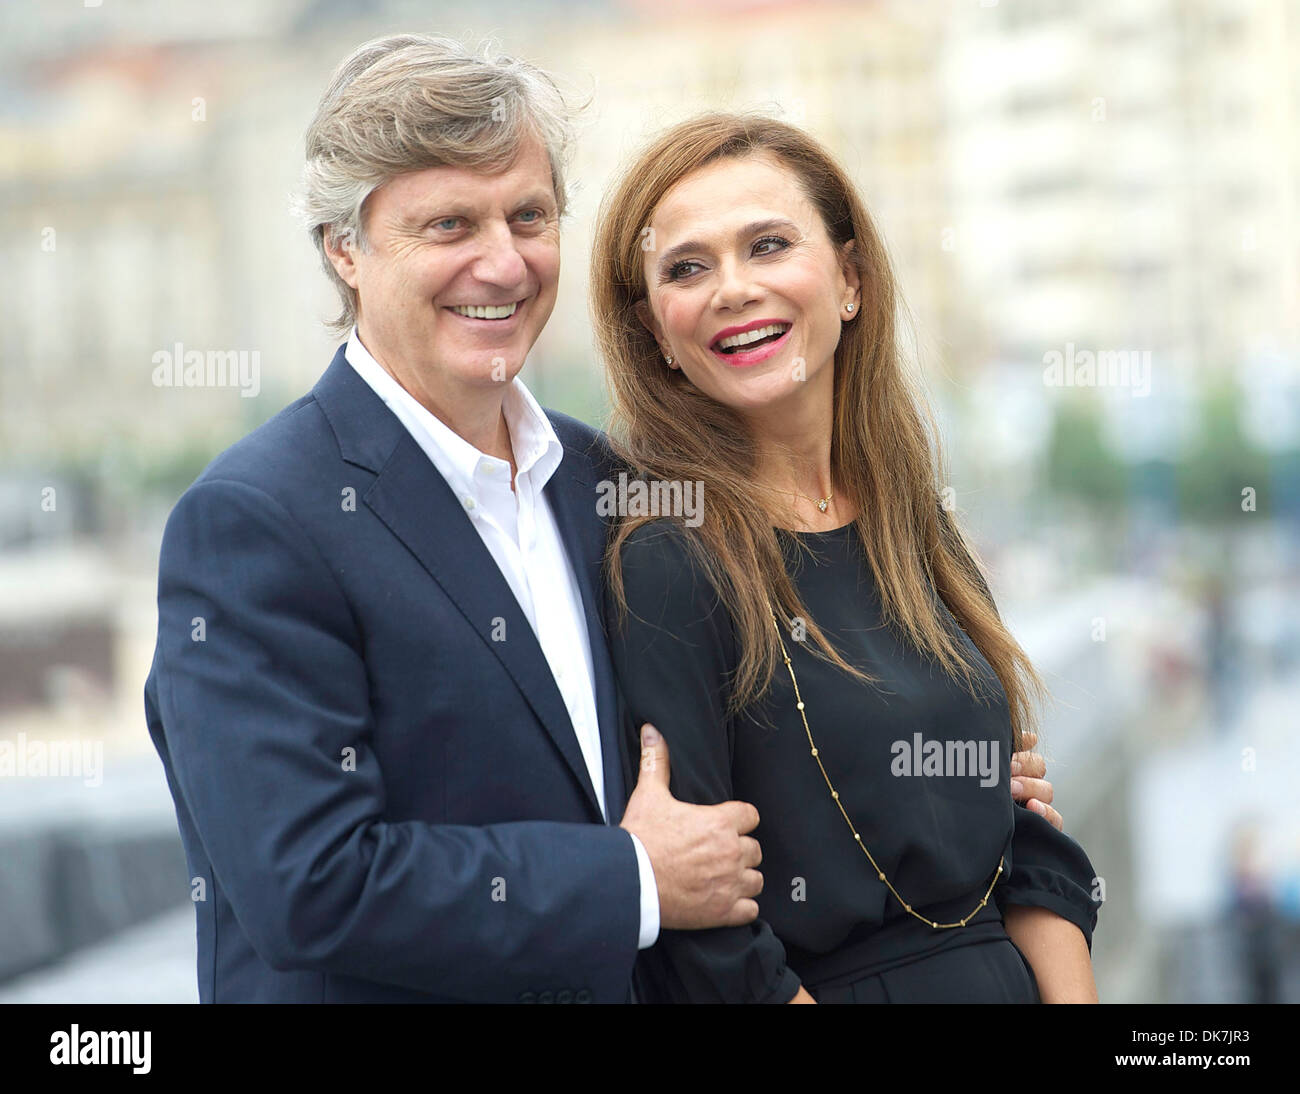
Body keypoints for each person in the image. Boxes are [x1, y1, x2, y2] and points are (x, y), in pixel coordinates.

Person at [144, 34, 1063, 1004]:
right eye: (450, 224)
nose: (502, 263)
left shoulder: (613, 486)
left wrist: (946, 774)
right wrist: (631, 880)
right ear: (345, 248)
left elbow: (744, 739)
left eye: (529, 215)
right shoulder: (255, 521)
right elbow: (307, 882)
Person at [593, 113, 1101, 1003]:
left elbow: (1029, 845)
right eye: (687, 267)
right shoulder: (670, 562)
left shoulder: (917, 527)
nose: (733, 288)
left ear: (851, 279)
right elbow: (713, 942)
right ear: (655, 335)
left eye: (768, 244)